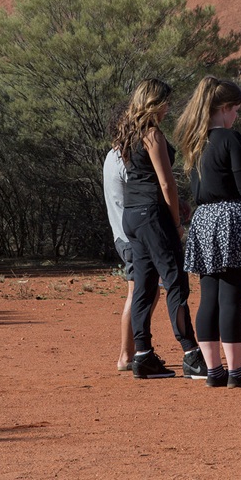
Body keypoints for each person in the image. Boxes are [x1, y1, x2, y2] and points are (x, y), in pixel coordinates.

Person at [175, 76, 241, 388]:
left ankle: (214, 372)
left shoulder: (195, 141)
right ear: (223, 108)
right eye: (235, 109)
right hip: (232, 218)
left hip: (204, 221)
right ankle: (235, 373)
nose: (236, 116)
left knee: (210, 299)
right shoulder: (231, 140)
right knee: (232, 299)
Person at [115, 78, 206, 380]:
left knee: (144, 286)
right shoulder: (152, 133)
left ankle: (143, 357)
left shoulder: (127, 132)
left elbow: (143, 177)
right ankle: (191, 354)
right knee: (176, 282)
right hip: (153, 216)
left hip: (132, 215)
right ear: (154, 103)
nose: (168, 108)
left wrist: (175, 205)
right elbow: (165, 182)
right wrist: (177, 220)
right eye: (165, 102)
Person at [102, 144, 155, 373]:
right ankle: (126, 355)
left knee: (148, 292)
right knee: (138, 293)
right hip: (133, 236)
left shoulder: (111, 155)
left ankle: (133, 350)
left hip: (122, 233)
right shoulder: (126, 158)